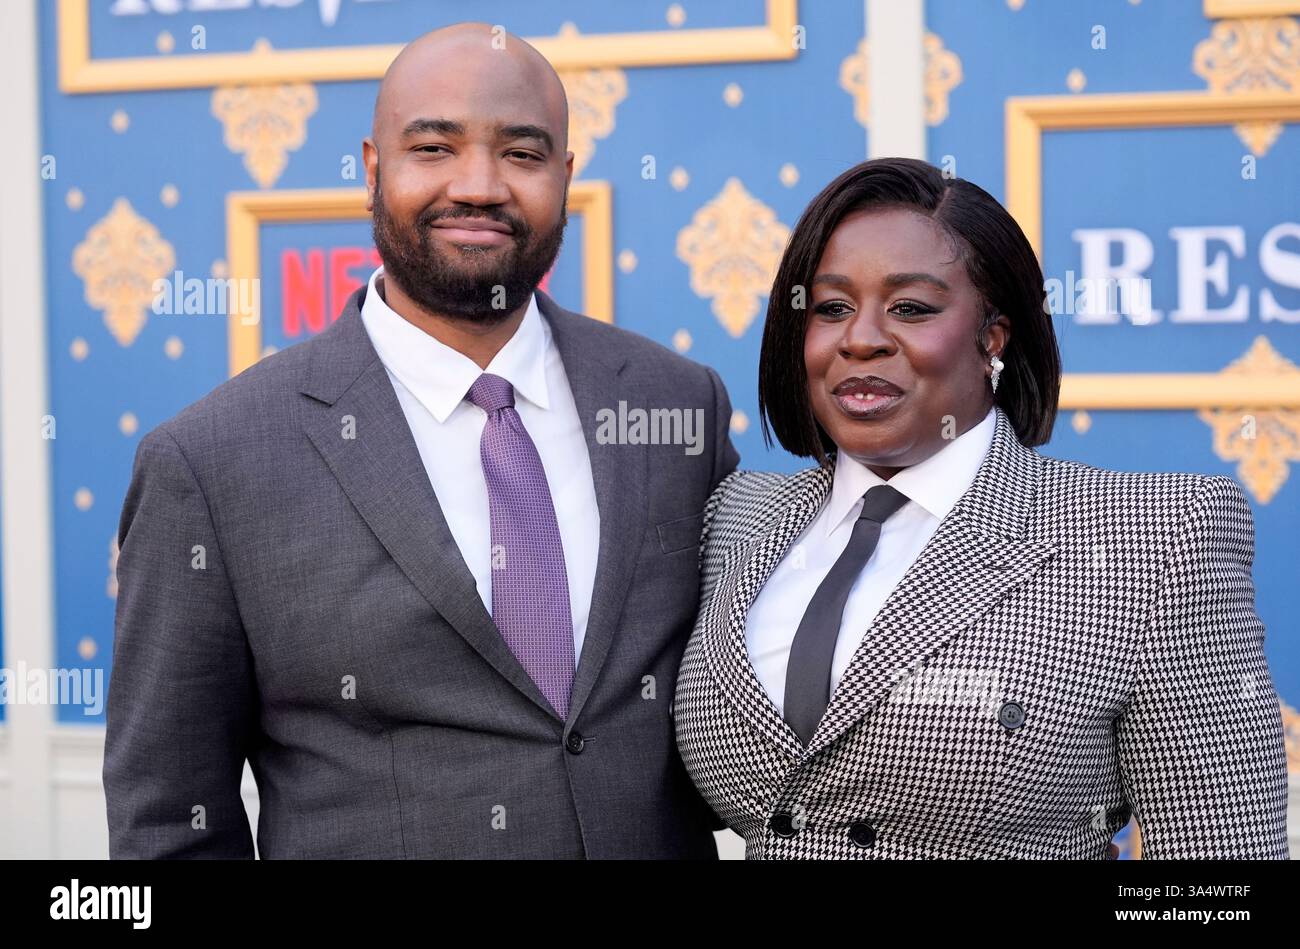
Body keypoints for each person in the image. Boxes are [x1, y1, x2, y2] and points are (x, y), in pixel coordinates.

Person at [105, 23, 737, 859]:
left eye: (522, 153)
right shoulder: (211, 461)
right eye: (434, 147)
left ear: (567, 177)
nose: (478, 186)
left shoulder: (674, 406)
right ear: (372, 169)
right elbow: (166, 823)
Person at [673, 157, 1290, 859]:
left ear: (992, 336)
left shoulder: (1154, 536)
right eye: (831, 307)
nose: (861, 338)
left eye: (911, 307)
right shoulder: (736, 517)